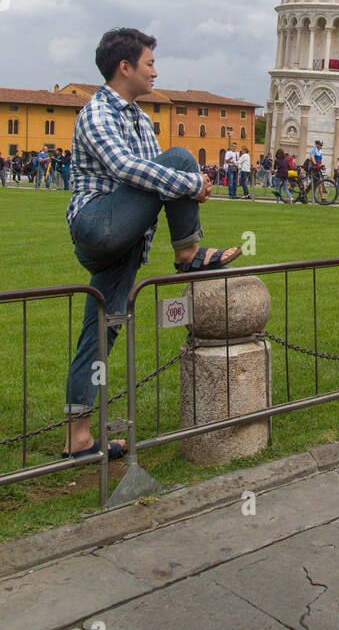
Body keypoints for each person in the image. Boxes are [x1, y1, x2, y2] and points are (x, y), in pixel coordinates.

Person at [62, 28, 242, 459]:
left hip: (123, 239)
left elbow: (156, 187)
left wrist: (182, 187)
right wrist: (191, 182)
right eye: (149, 64)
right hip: (97, 222)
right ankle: (187, 254)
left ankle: (77, 437)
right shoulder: (96, 113)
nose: (156, 72)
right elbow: (128, 169)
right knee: (180, 158)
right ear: (124, 68)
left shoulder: (141, 119)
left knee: (102, 331)